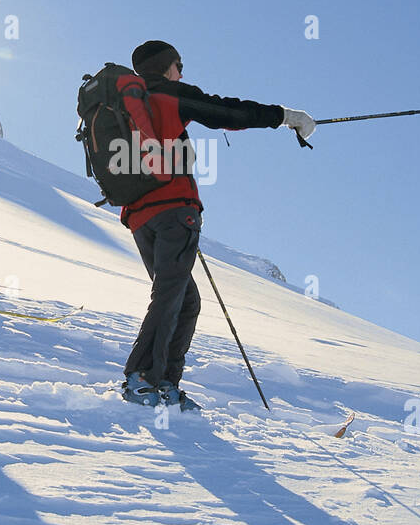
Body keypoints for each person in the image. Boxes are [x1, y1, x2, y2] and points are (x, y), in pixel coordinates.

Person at [120, 39, 315, 409]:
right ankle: (141, 377)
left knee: (186, 299)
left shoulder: (128, 101)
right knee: (170, 295)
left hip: (140, 214)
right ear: (167, 66)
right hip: (175, 209)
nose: (182, 73)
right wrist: (287, 117)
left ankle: (164, 383)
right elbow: (229, 112)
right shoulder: (169, 94)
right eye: (179, 65)